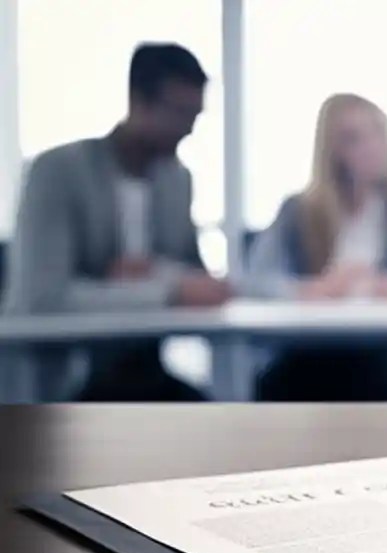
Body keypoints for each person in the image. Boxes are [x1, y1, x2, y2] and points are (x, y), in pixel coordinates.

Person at [4, 43, 229, 401]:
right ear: (138, 101)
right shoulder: (57, 172)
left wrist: (156, 272)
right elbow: (42, 297)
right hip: (62, 381)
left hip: (144, 372)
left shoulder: (176, 180)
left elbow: (194, 278)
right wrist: (167, 291)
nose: (188, 129)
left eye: (195, 115)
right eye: (179, 112)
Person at [243, 94, 387, 401]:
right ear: (331, 149)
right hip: (308, 353)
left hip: (378, 352)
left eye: (378, 134)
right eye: (354, 138)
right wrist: (312, 290)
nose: (373, 147)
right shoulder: (298, 209)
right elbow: (254, 280)